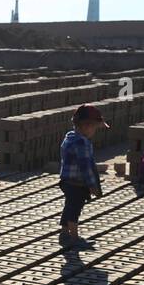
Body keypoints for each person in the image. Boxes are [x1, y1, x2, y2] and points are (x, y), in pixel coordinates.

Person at [58, 104, 107, 243]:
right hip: (77, 182)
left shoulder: (69, 137)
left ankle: (64, 233)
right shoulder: (82, 143)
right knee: (75, 209)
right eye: (95, 128)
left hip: (66, 180)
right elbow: (86, 167)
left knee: (69, 206)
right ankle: (74, 238)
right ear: (86, 126)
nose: (95, 131)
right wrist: (93, 185)